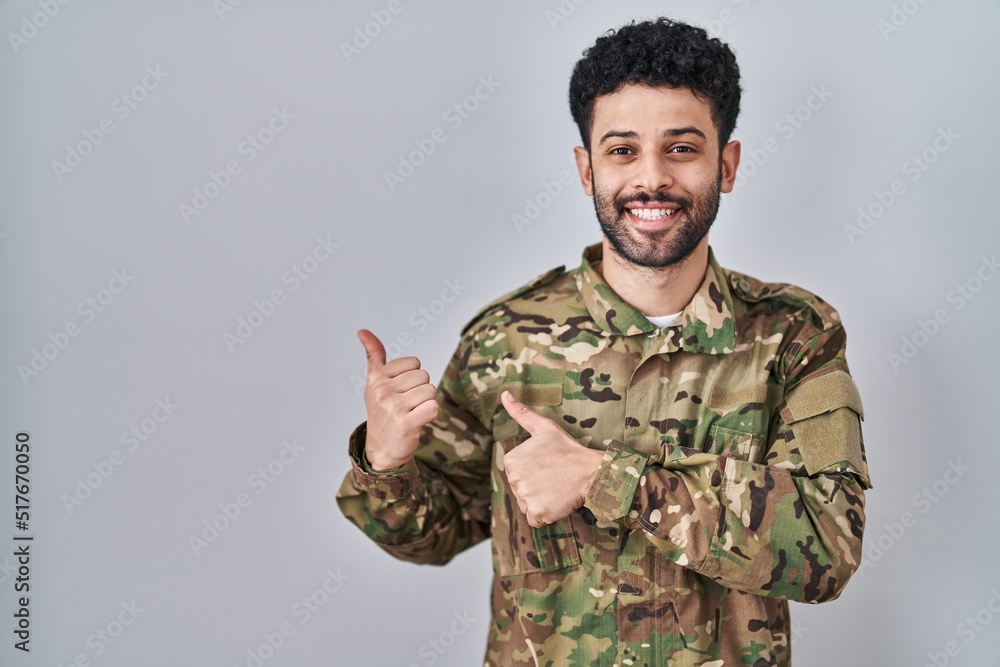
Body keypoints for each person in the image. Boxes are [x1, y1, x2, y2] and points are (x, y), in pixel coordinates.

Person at [337, 17, 872, 666]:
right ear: (586, 169)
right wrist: (386, 459)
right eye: (622, 150)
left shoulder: (793, 335)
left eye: (681, 148)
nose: (652, 179)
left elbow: (825, 550)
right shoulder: (506, 341)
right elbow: (433, 533)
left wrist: (606, 477)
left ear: (725, 165)